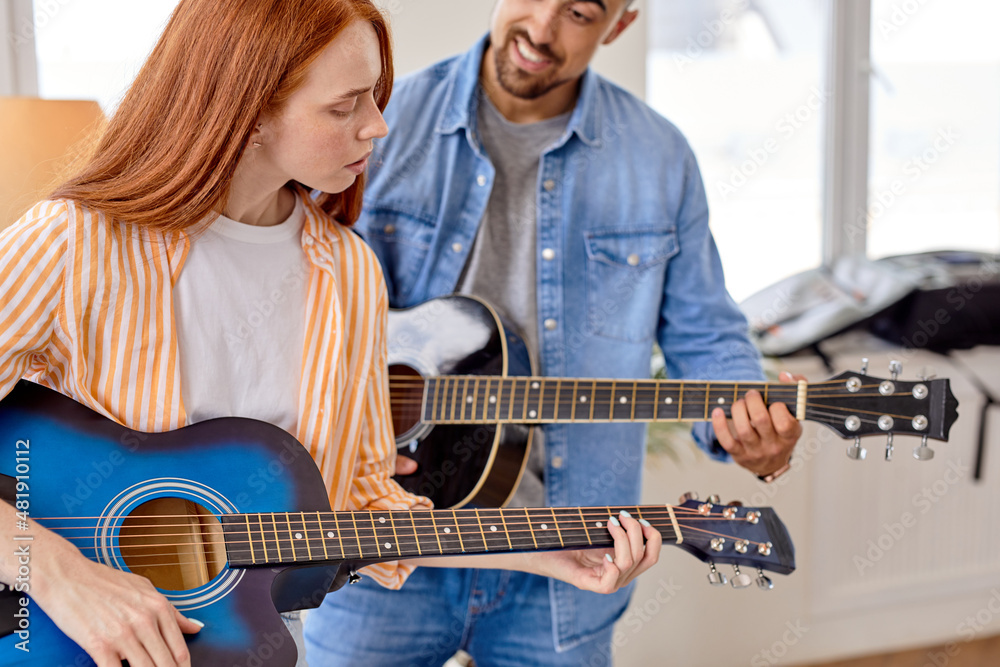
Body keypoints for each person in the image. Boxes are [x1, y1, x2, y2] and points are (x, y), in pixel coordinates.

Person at [0, 2, 660, 666]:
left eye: (375, 96)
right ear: (249, 110)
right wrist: (55, 571)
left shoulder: (349, 274)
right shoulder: (75, 243)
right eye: (345, 107)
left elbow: (364, 503)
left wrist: (544, 551)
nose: (378, 125)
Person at [304, 0, 804, 665]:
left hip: (567, 554)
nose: (541, 30)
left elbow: (708, 333)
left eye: (578, 12)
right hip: (382, 546)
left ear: (619, 25)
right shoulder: (381, 122)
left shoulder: (658, 157)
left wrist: (751, 430)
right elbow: (304, 308)